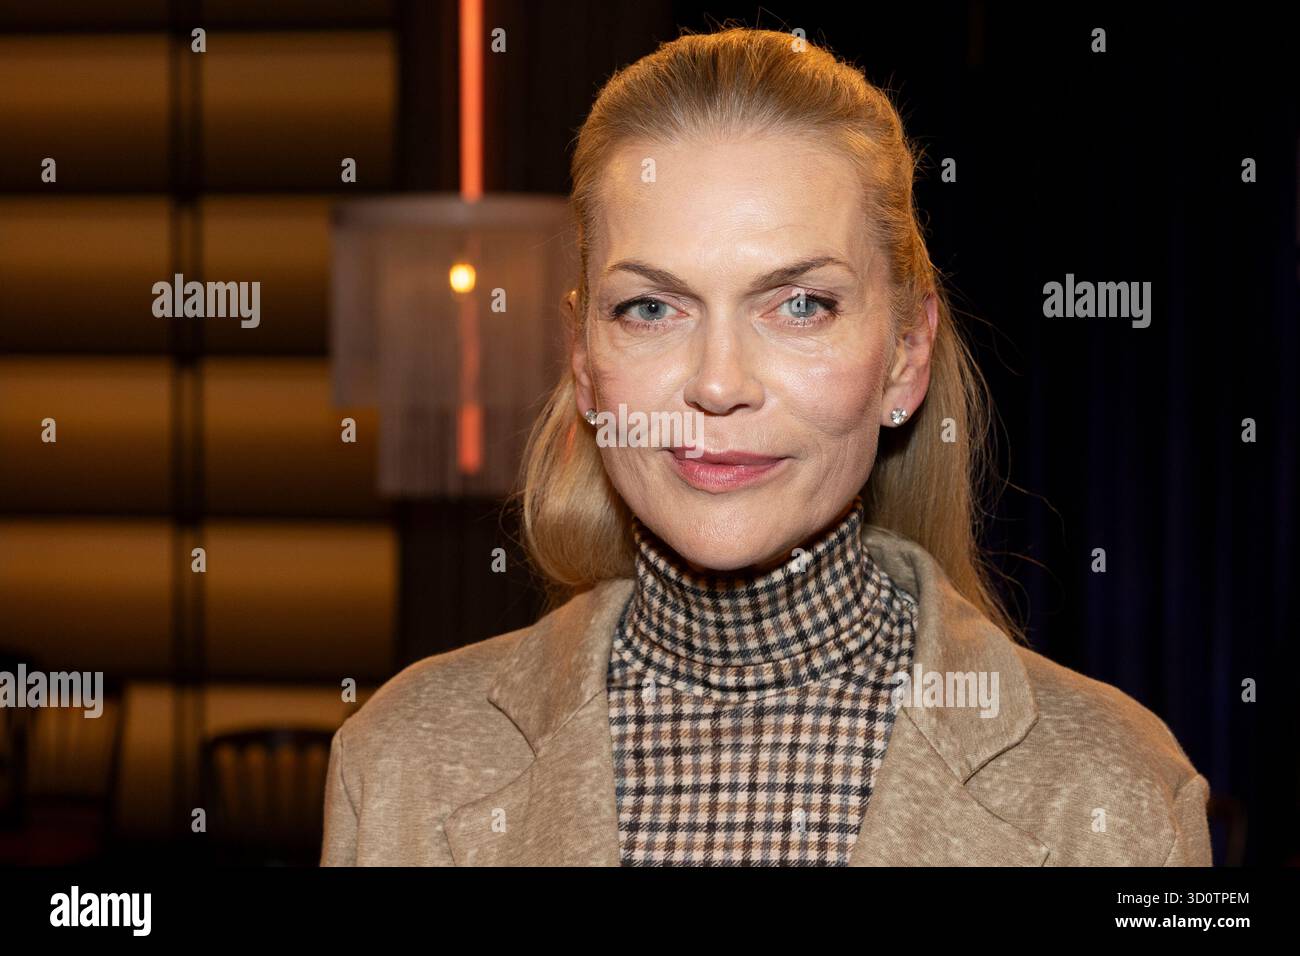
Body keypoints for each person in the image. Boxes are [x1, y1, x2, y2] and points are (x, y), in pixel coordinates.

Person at [320, 26, 1211, 866]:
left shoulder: (1119, 789)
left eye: (799, 305)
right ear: (585, 364)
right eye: (651, 308)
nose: (718, 382)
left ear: (905, 356)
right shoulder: (398, 761)